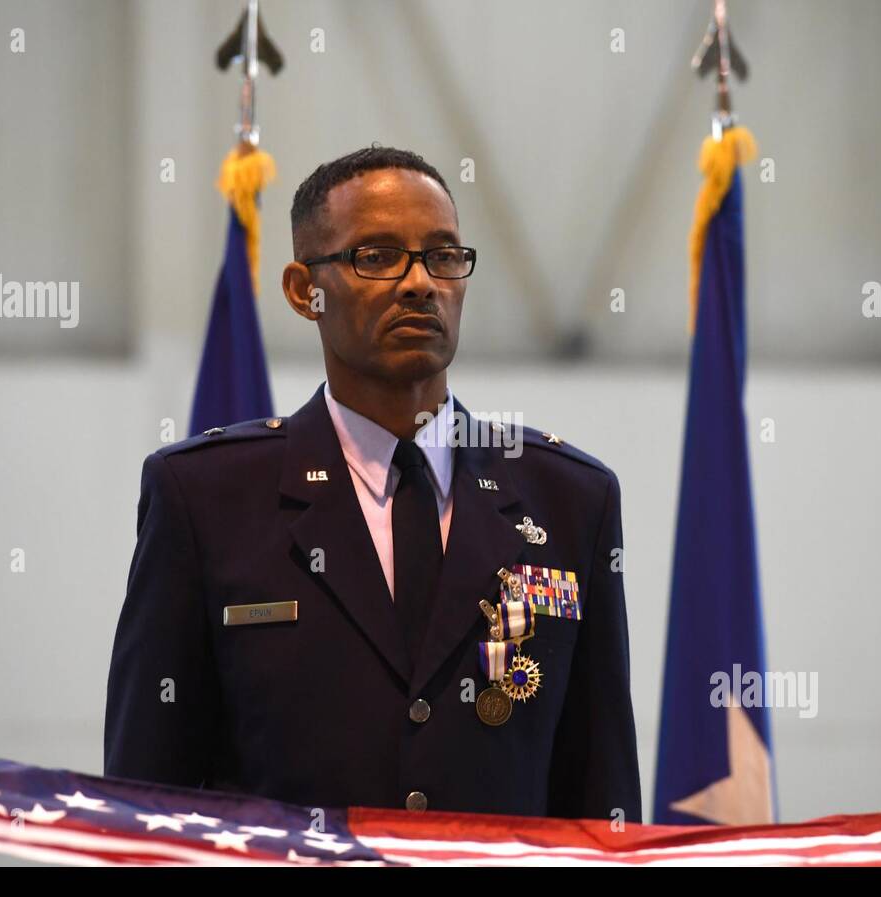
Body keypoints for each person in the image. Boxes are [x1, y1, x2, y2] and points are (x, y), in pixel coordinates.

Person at [104, 145, 641, 821]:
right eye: (378, 257)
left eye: (443, 256)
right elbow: (145, 803)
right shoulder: (206, 499)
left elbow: (600, 803)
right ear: (304, 291)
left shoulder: (569, 501)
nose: (420, 283)